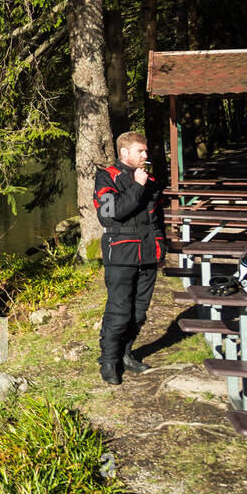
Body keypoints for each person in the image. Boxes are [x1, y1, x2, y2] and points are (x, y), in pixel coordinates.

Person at [93, 131, 166, 384]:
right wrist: (137, 185)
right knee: (119, 310)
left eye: (146, 151)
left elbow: (157, 218)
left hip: (148, 254)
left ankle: (126, 354)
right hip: (121, 253)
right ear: (124, 152)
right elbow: (110, 215)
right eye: (140, 151)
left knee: (139, 312)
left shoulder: (150, 179)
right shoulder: (107, 177)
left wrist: (161, 248)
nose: (146, 156)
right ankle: (109, 362)